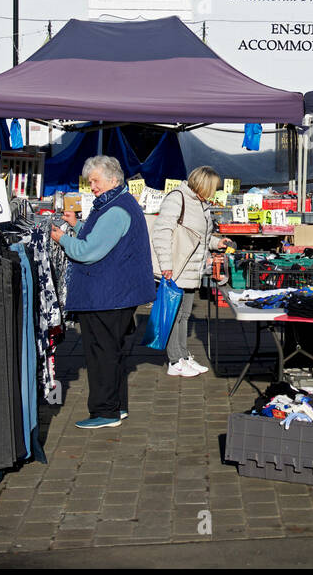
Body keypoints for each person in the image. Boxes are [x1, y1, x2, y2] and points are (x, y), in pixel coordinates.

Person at [51, 155, 155, 429]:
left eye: (95, 181)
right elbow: (99, 237)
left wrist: (64, 239)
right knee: (111, 352)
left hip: (107, 295)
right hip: (114, 295)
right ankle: (115, 407)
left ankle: (105, 412)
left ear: (113, 179)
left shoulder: (116, 209)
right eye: (90, 181)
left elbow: (87, 251)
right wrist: (76, 225)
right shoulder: (117, 203)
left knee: (103, 354)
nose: (92, 186)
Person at [151, 166, 232, 377]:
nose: (215, 192)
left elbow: (199, 235)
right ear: (204, 185)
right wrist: (166, 264)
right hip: (177, 267)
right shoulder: (178, 198)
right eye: (213, 187)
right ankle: (174, 359)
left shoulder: (201, 204)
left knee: (184, 315)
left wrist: (216, 242)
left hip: (191, 268)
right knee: (174, 315)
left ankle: (183, 355)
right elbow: (161, 232)